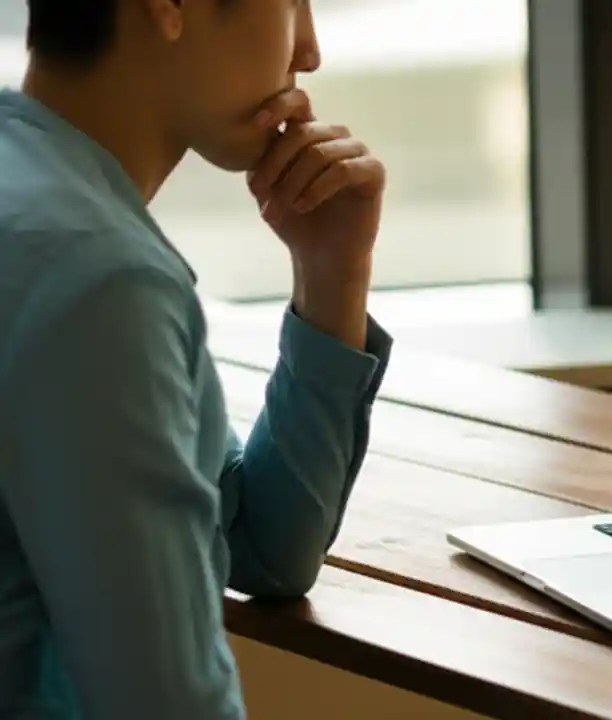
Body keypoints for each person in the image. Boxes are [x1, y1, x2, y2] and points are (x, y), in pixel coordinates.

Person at [0, 1, 392, 717]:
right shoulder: (97, 276)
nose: (307, 51)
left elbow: (261, 545)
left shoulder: (46, 205)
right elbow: (166, 703)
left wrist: (331, 277)